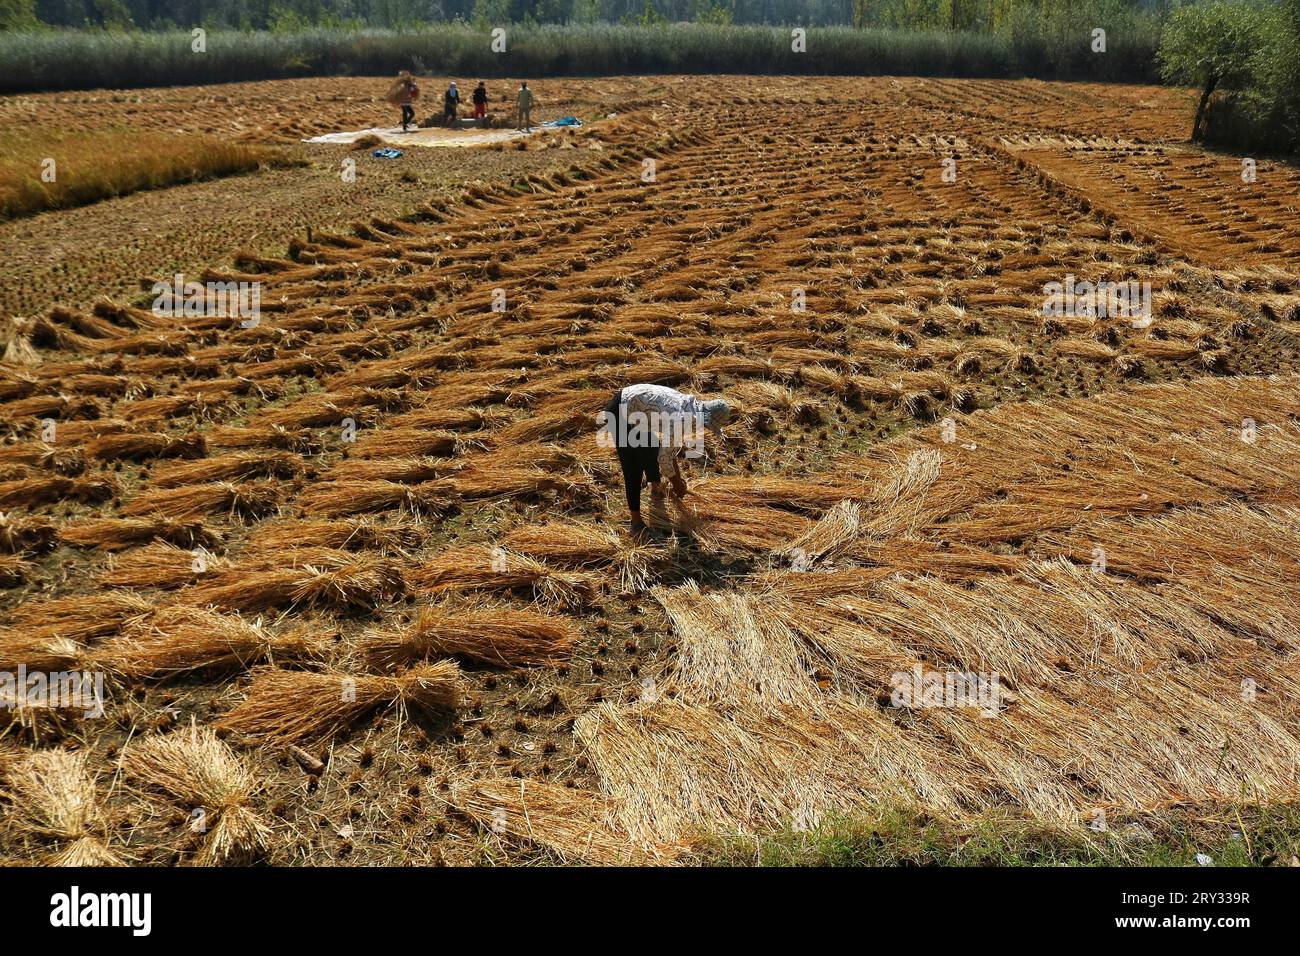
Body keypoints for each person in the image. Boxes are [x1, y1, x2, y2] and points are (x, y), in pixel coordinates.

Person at [599, 384, 731, 537]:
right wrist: (677, 484)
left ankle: (656, 487)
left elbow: (668, 451)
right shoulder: (684, 419)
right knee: (633, 466)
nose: (706, 428)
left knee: (652, 446)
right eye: (708, 425)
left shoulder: (691, 407)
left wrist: (678, 479)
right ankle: (636, 523)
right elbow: (664, 458)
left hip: (636, 410)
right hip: (620, 412)